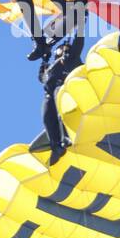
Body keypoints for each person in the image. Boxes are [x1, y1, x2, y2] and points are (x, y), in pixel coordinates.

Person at [38, 26, 84, 165]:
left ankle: (67, 136)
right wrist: (44, 61)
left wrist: (80, 23)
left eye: (62, 48)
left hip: (66, 92)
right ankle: (55, 145)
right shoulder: (51, 67)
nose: (59, 50)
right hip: (50, 95)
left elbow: (79, 41)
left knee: (59, 99)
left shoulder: (71, 58)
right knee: (47, 117)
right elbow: (42, 78)